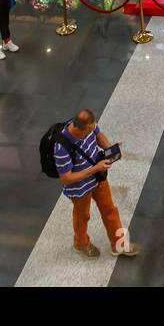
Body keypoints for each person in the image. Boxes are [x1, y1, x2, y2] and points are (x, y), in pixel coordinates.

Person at [53, 109, 140, 259]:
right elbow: (66, 178)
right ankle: (81, 244)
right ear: (78, 129)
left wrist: (109, 148)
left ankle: (118, 245)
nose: (90, 134)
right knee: (82, 216)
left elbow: (98, 135)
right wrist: (94, 169)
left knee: (110, 210)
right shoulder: (61, 148)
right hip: (79, 188)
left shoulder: (89, 126)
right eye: (87, 133)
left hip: (98, 179)